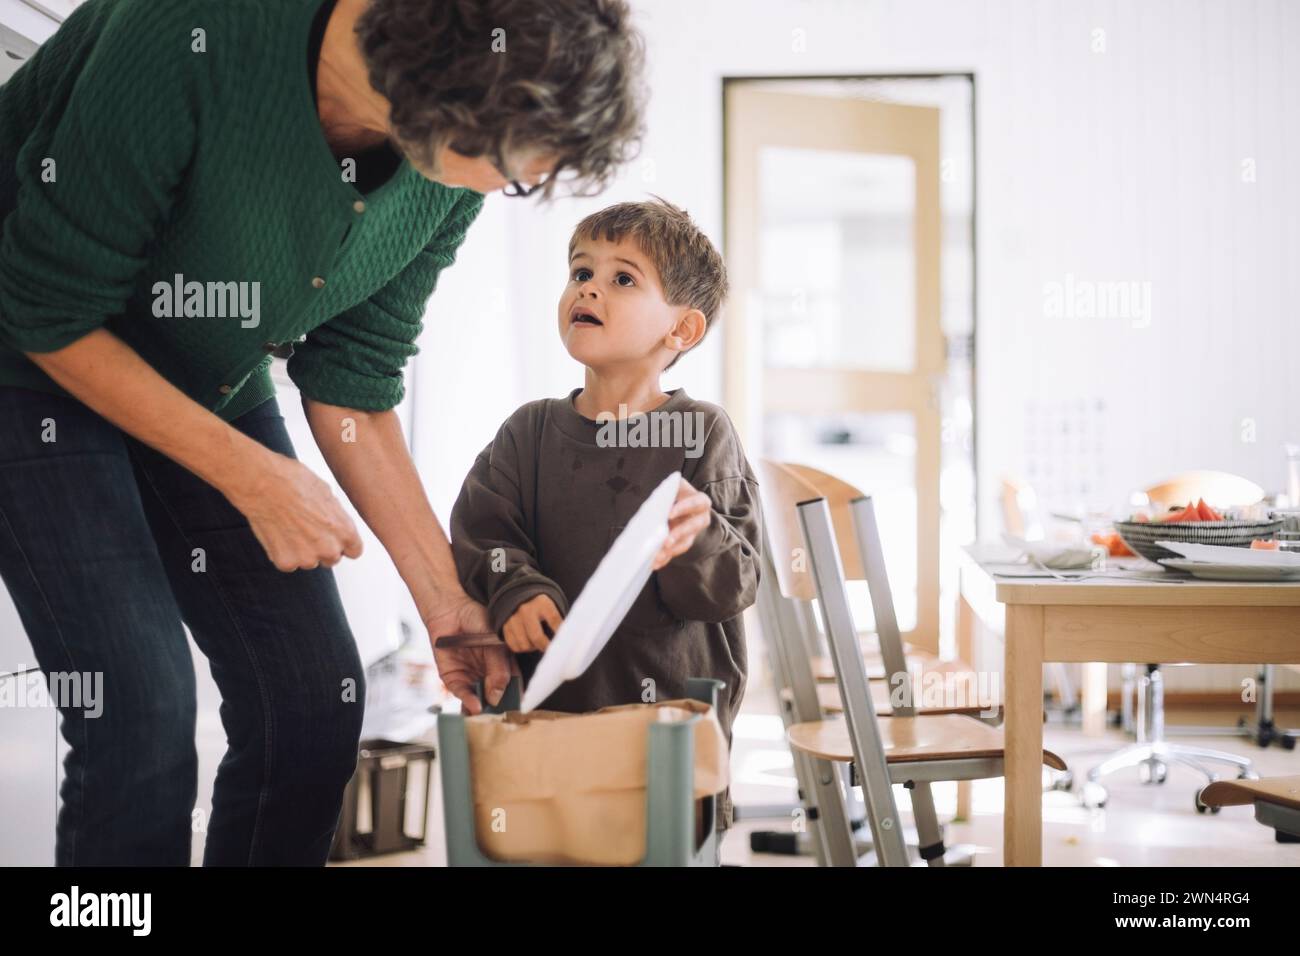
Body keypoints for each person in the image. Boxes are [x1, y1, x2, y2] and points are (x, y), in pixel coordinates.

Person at [0, 0, 645, 866]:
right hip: (31, 354)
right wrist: (254, 476)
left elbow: (353, 376)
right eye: (506, 168)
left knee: (313, 704)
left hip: (207, 374)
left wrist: (449, 606)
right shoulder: (193, 33)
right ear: (434, 89)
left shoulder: (450, 168)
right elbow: (43, 304)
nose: (497, 190)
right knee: (141, 710)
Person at [450, 198, 762, 843]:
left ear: (682, 330)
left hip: (668, 729)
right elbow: (483, 531)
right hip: (547, 727)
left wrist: (698, 536)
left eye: (623, 278)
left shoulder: (702, 432)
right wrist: (518, 587)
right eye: (579, 271)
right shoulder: (528, 431)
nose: (587, 286)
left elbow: (734, 584)